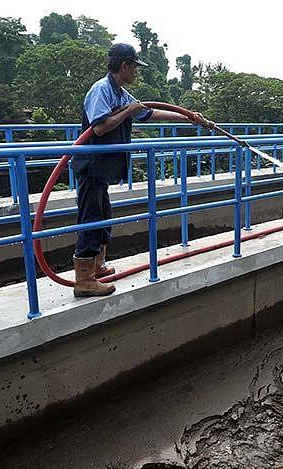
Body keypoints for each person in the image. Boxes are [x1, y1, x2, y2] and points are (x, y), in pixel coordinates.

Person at [72, 43, 211, 297]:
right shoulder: (101, 90)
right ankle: (84, 279)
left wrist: (189, 117)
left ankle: (97, 266)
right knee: (90, 219)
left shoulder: (121, 93)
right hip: (92, 166)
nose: (136, 73)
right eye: (134, 68)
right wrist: (128, 112)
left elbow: (149, 113)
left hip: (103, 168)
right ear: (124, 66)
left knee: (103, 217)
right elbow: (100, 128)